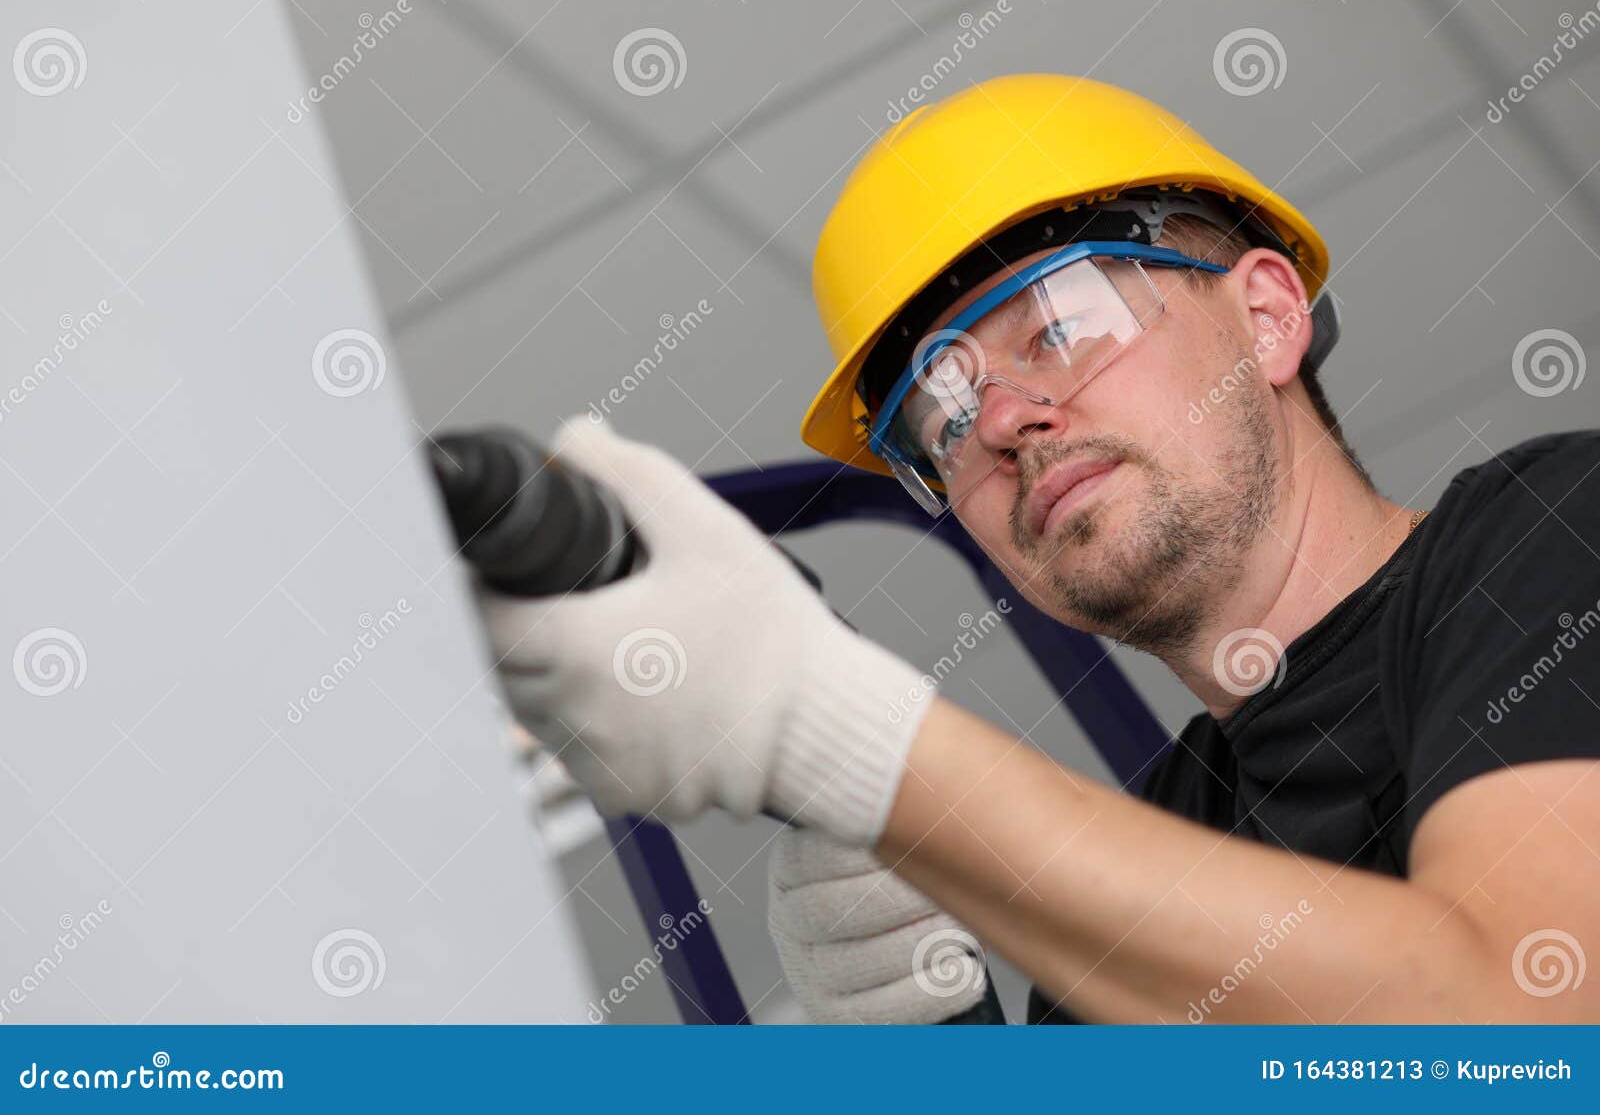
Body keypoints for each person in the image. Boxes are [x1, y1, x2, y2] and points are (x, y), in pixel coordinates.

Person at [479, 75, 1600, 1023]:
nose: (1003, 420)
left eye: (1060, 323)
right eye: (943, 420)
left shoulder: (1558, 536)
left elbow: (1525, 1026)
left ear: (1264, 317)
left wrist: (855, 740)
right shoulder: (1119, 925)